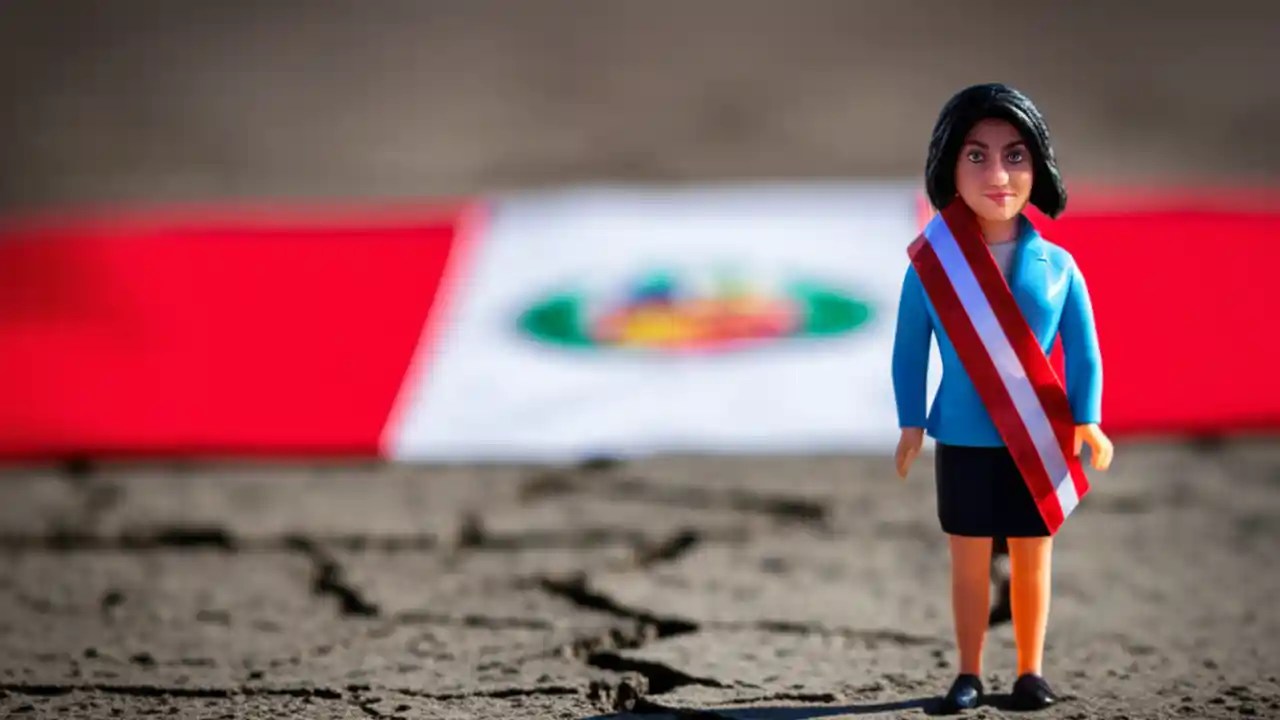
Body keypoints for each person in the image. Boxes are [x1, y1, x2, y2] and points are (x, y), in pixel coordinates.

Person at [891, 83, 1114, 713]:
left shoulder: (1059, 266)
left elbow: (1085, 351)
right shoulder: (933, 267)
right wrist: (911, 424)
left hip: (1037, 438)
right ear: (947, 168)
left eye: (1015, 156)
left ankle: (1029, 671)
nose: (997, 174)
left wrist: (1088, 420)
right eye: (976, 156)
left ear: (1038, 166)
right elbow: (910, 352)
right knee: (967, 564)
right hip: (961, 434)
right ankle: (968, 671)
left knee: (1030, 560)